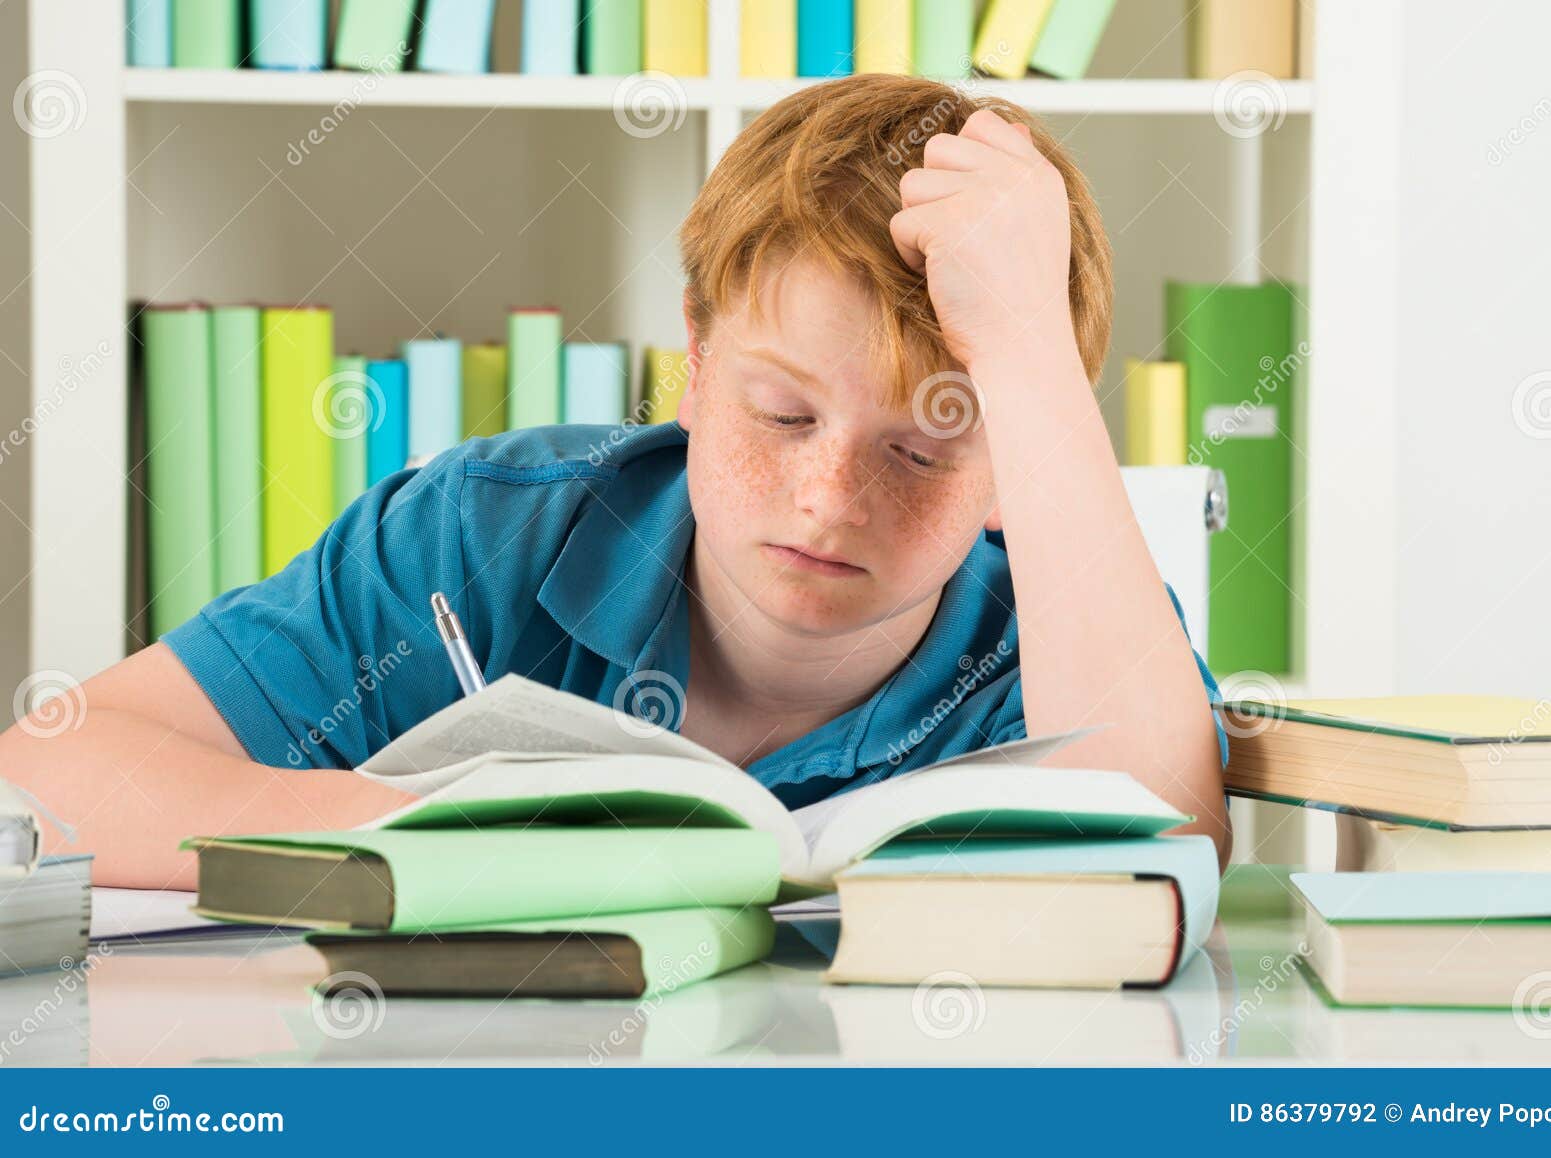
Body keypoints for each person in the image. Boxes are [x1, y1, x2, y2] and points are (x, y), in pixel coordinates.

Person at [1, 75, 1230, 888]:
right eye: (782, 412)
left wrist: (1021, 345)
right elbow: (46, 771)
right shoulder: (483, 536)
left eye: (919, 448)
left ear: (1019, 454)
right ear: (692, 365)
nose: (826, 496)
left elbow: (1170, 858)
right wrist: (445, 843)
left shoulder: (1068, 627)